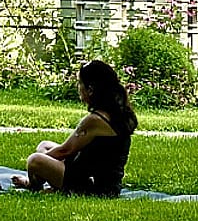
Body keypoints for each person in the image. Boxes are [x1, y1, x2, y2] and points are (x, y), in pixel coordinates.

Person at [11, 59, 137, 197]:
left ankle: (32, 184)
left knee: (34, 160)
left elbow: (65, 150)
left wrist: (38, 168)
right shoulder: (118, 113)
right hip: (90, 173)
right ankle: (48, 183)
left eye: (80, 83)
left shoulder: (95, 120)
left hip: (95, 187)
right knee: (44, 145)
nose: (78, 87)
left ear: (90, 90)